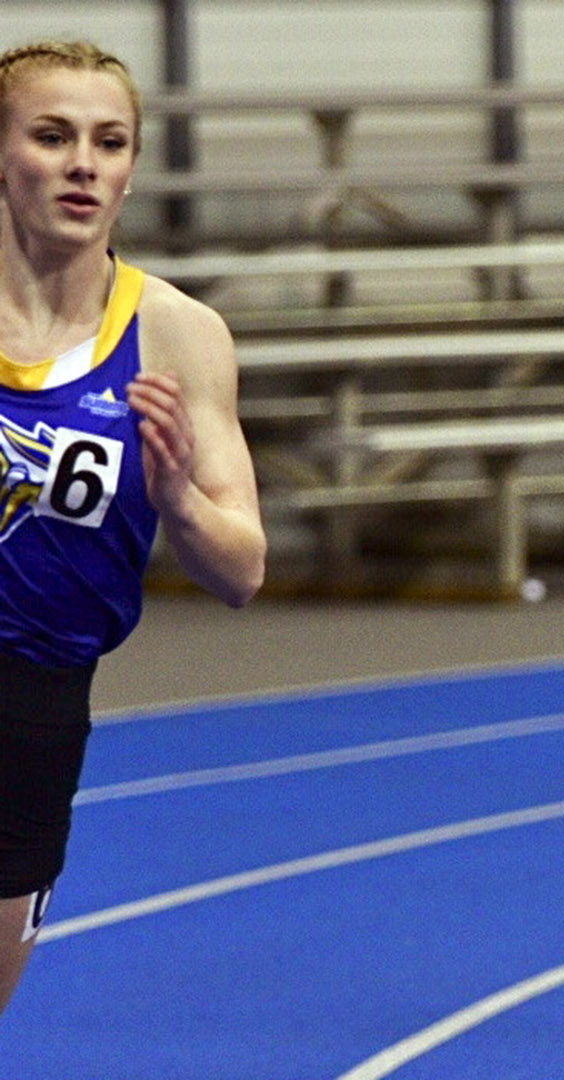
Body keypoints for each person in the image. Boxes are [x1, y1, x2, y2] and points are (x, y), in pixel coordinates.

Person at [0, 39, 266, 1017]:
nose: (83, 163)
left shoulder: (176, 336)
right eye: (52, 135)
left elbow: (242, 569)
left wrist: (178, 498)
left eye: (110, 143)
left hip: (34, 704)